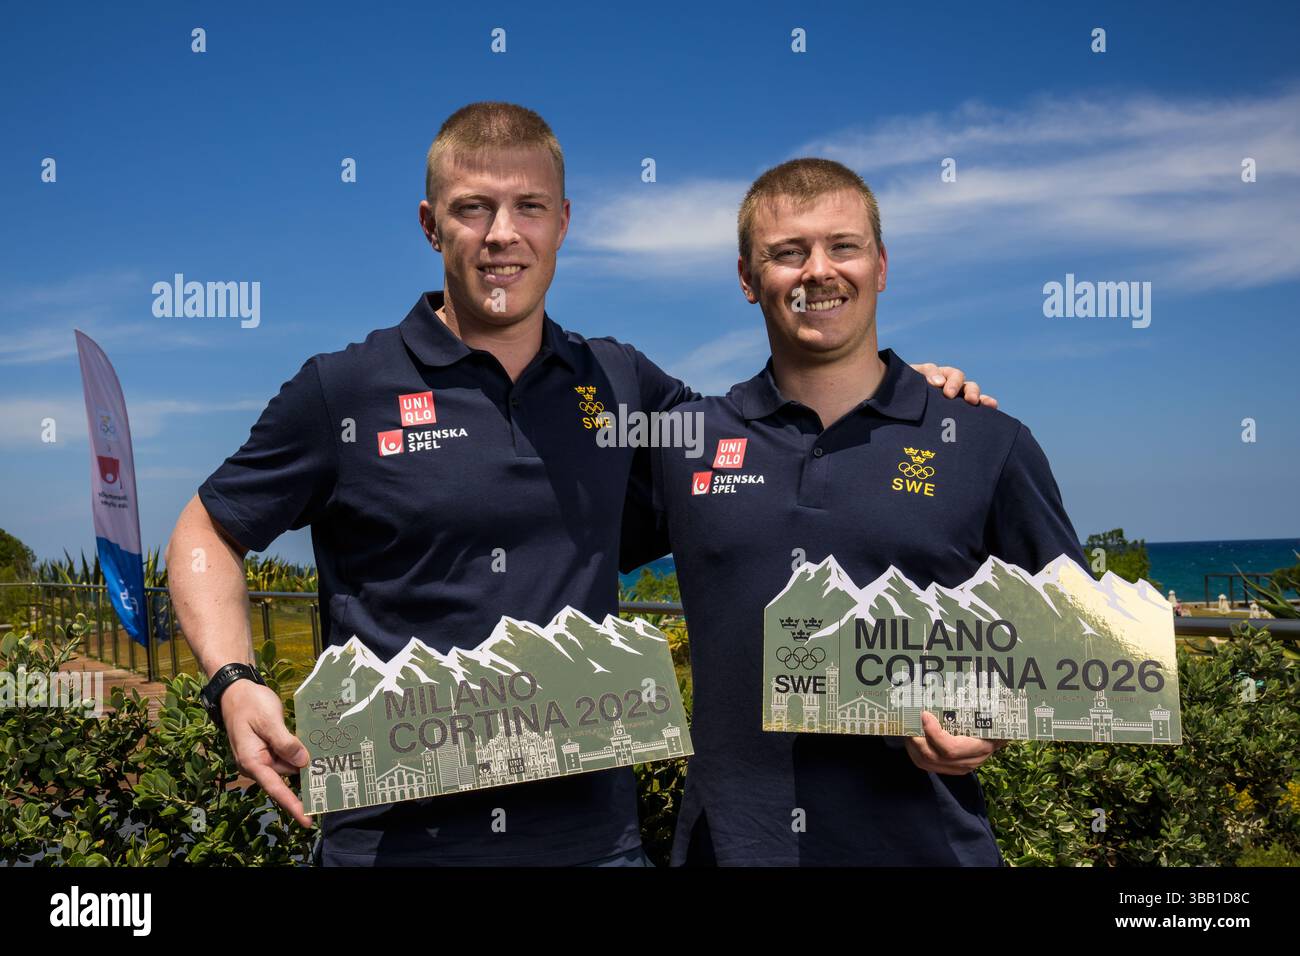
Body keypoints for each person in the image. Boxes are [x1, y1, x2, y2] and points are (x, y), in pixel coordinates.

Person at [165, 103, 987, 866]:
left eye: (528, 207)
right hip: (391, 842)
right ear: (429, 226)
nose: (500, 235)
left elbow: (771, 440)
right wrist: (235, 683)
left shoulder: (622, 384)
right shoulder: (342, 392)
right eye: (471, 208)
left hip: (594, 842)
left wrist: (894, 389)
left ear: (563, 223)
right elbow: (208, 530)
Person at [648, 158, 1086, 866]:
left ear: (880, 266)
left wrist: (996, 722)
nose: (818, 271)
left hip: (929, 850)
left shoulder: (984, 442)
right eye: (787, 253)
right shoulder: (688, 442)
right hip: (728, 851)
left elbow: (1076, 639)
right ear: (746, 277)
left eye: (842, 247)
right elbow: (547, 542)